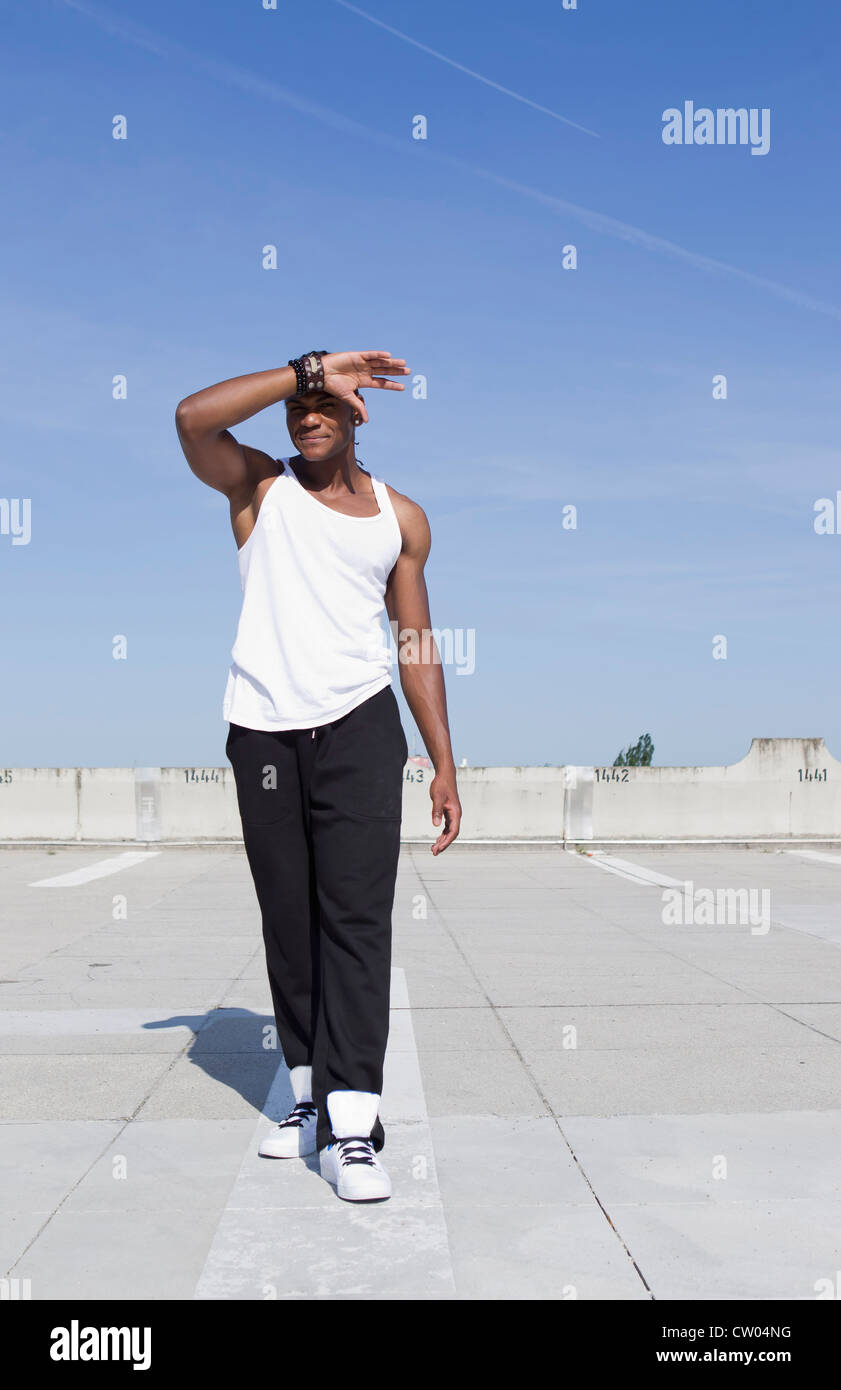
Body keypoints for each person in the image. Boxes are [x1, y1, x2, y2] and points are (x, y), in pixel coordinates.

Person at [175, 349, 462, 1202]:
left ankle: (354, 1123)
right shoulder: (259, 489)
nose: (307, 416)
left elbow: (413, 643)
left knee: (356, 921)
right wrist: (309, 367)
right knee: (289, 920)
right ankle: (307, 1098)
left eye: (325, 407)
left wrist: (442, 756)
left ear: (355, 420)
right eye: (299, 407)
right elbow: (192, 418)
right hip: (262, 733)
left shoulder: (398, 519)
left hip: (359, 728)